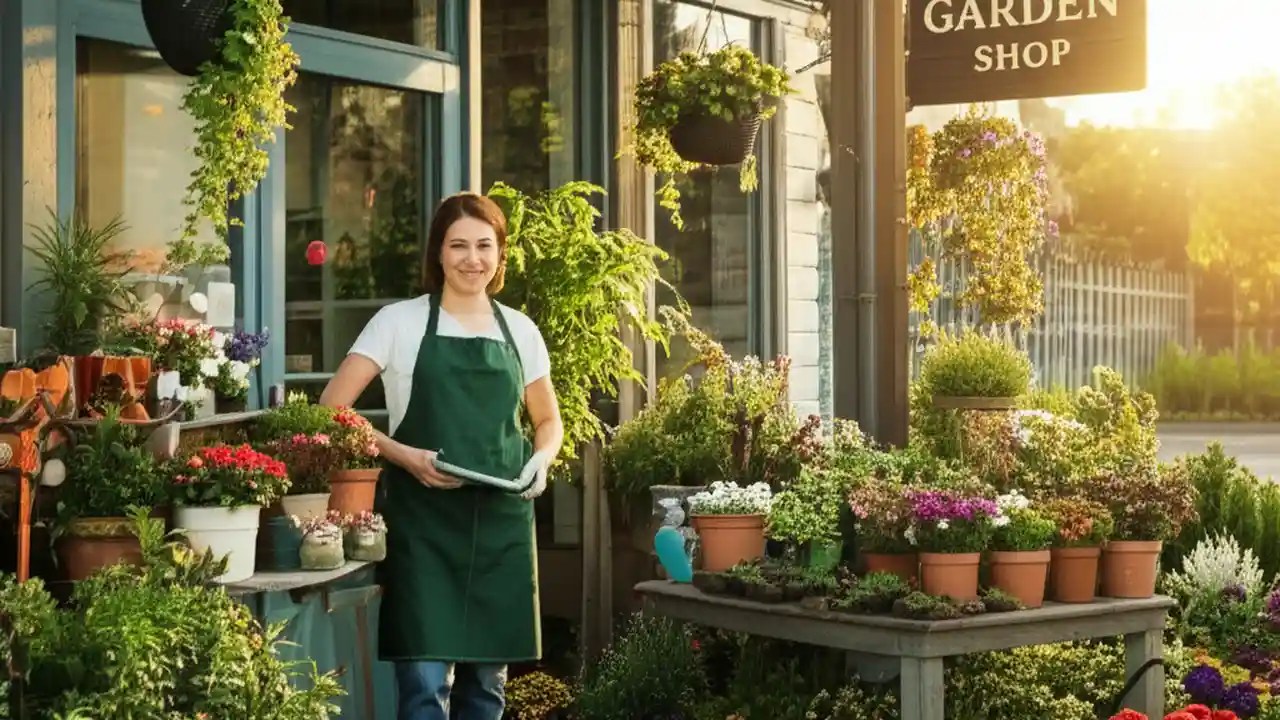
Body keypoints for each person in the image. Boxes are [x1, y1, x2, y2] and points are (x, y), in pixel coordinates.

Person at [319, 192, 563, 720]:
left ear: (500, 254)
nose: (472, 258)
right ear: (438, 253)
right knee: (425, 685)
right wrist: (402, 455)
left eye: (484, 245)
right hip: (423, 527)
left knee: (486, 690)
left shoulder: (519, 330)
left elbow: (548, 421)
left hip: (500, 523)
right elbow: (332, 407)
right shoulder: (397, 322)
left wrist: (540, 462)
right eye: (458, 246)